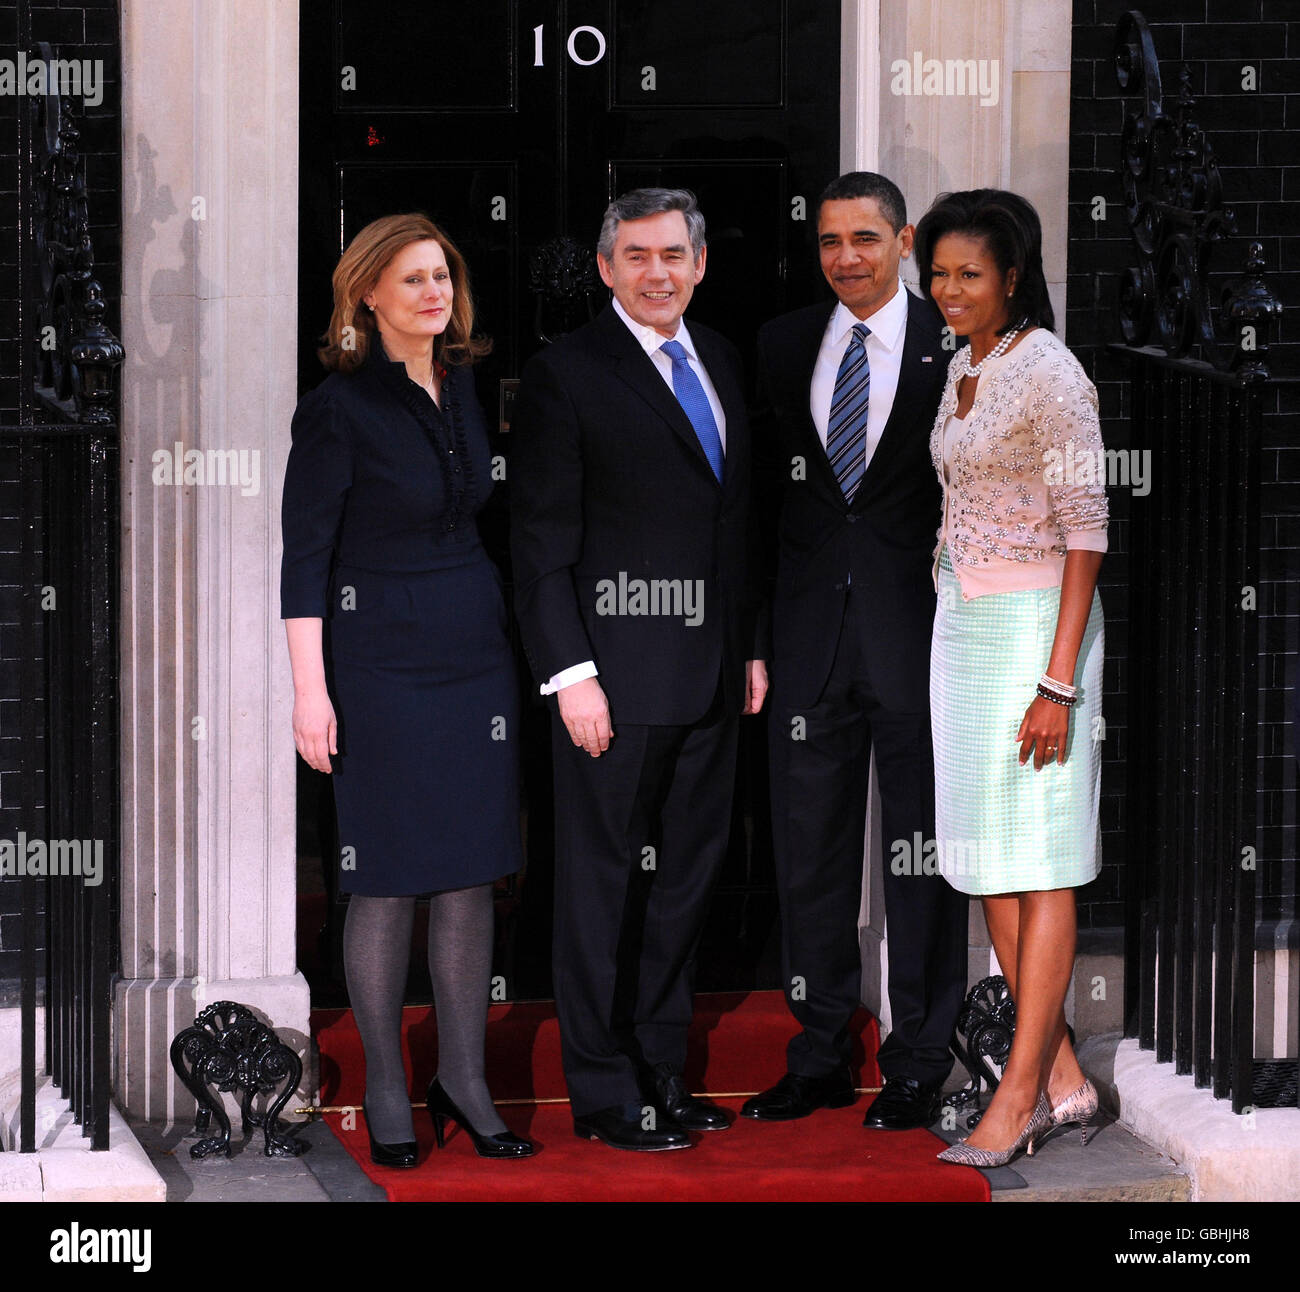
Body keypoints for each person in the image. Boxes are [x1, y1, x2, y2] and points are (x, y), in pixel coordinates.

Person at [510, 188, 767, 1152]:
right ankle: (605, 1089)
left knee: (687, 881)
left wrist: (746, 642)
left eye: (673, 255)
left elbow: (732, 522)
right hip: (608, 681)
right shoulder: (565, 375)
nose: (657, 273)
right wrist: (570, 674)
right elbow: (539, 544)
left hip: (708, 677)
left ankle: (662, 1067)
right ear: (608, 268)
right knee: (597, 887)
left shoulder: (725, 363)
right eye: (636, 256)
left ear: (700, 264)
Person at [281, 213, 534, 1165]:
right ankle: (388, 1087)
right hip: (377, 665)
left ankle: (462, 1081)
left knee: (472, 872)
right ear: (367, 297)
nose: (434, 293)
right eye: (413, 280)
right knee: (384, 881)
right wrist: (313, 692)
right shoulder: (338, 408)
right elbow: (303, 562)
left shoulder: (463, 384)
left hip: (475, 656)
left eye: (442, 276)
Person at [744, 172, 968, 1132]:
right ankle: (820, 1053)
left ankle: (920, 1058)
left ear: (904, 240)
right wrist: (757, 641)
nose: (846, 258)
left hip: (919, 640)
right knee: (811, 856)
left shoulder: (955, 345)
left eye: (866, 239)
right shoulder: (783, 343)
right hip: (806, 644)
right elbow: (756, 506)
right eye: (831, 240)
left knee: (920, 856)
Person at [913, 189, 1107, 1166]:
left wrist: (1058, 680)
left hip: (1037, 628)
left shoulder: (1053, 374)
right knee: (990, 857)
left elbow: (1086, 531)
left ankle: (1021, 1091)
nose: (948, 289)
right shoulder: (962, 366)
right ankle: (1064, 1075)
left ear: (1013, 277)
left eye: (969, 274)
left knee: (1040, 856)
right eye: (939, 272)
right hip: (965, 629)